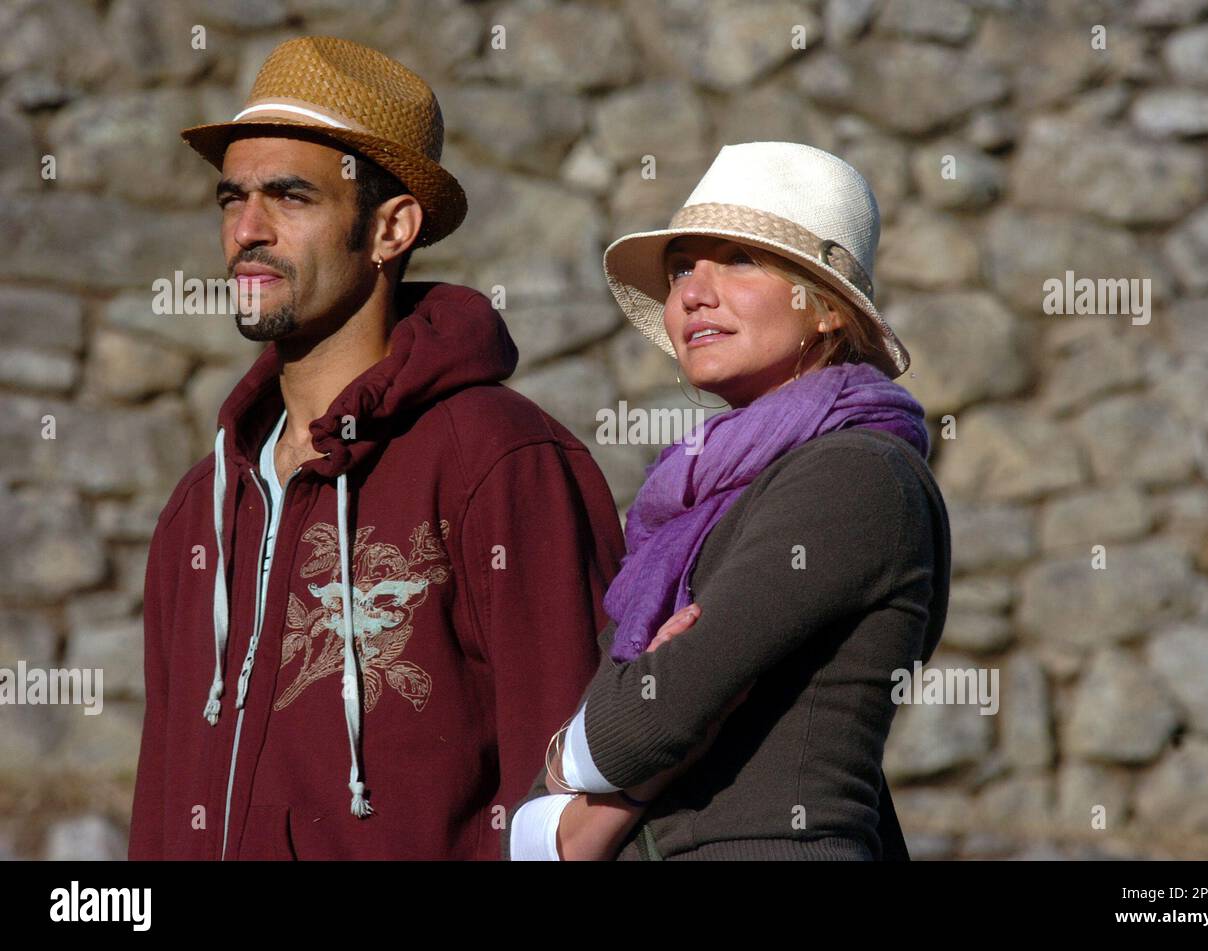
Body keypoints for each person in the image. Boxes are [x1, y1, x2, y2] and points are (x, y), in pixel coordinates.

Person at [127, 36, 624, 860]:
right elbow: (160, 808)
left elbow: (571, 784)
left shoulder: (501, 460)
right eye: (232, 198)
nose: (246, 231)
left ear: (390, 227)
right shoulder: (200, 509)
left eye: (290, 197)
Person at [503, 141, 951, 861]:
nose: (690, 293)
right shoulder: (701, 490)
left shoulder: (855, 475)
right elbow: (621, 739)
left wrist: (572, 762)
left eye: (738, 260)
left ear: (829, 309)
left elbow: (646, 721)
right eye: (683, 268)